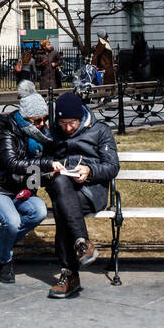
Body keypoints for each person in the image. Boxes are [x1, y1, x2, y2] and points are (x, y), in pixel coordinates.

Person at [0, 81, 56, 283]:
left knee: (39, 211)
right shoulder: (5, 132)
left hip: (21, 190)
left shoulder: (40, 137)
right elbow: (13, 163)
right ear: (27, 119)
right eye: (39, 120)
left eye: (45, 119)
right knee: (12, 221)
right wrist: (47, 163)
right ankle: (4, 260)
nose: (44, 124)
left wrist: (40, 182)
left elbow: (34, 170)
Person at [45, 90, 119, 299]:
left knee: (62, 209)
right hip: (62, 189)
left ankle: (69, 275)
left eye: (72, 123)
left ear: (81, 117)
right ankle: (82, 243)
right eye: (63, 123)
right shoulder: (54, 132)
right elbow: (42, 164)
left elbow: (112, 166)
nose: (67, 128)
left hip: (90, 191)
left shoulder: (100, 130)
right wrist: (51, 168)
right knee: (60, 183)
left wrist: (90, 171)